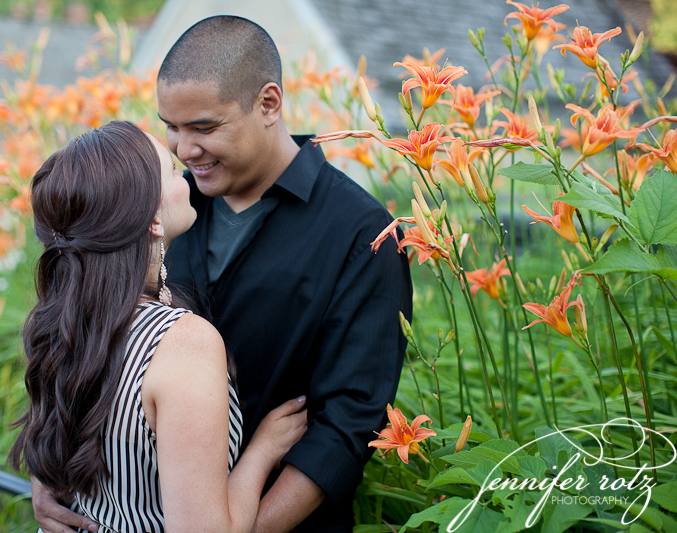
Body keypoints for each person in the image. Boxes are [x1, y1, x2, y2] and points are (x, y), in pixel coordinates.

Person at [32, 16, 412, 533]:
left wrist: (241, 527)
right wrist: (51, 471)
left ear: (269, 104)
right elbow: (84, 329)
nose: (184, 150)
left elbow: (347, 425)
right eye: (171, 127)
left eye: (204, 128)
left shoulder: (363, 231)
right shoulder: (162, 205)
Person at [10, 120, 309, 533]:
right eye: (171, 170)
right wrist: (263, 451)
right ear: (152, 219)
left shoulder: (65, 324)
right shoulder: (183, 344)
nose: (185, 173)